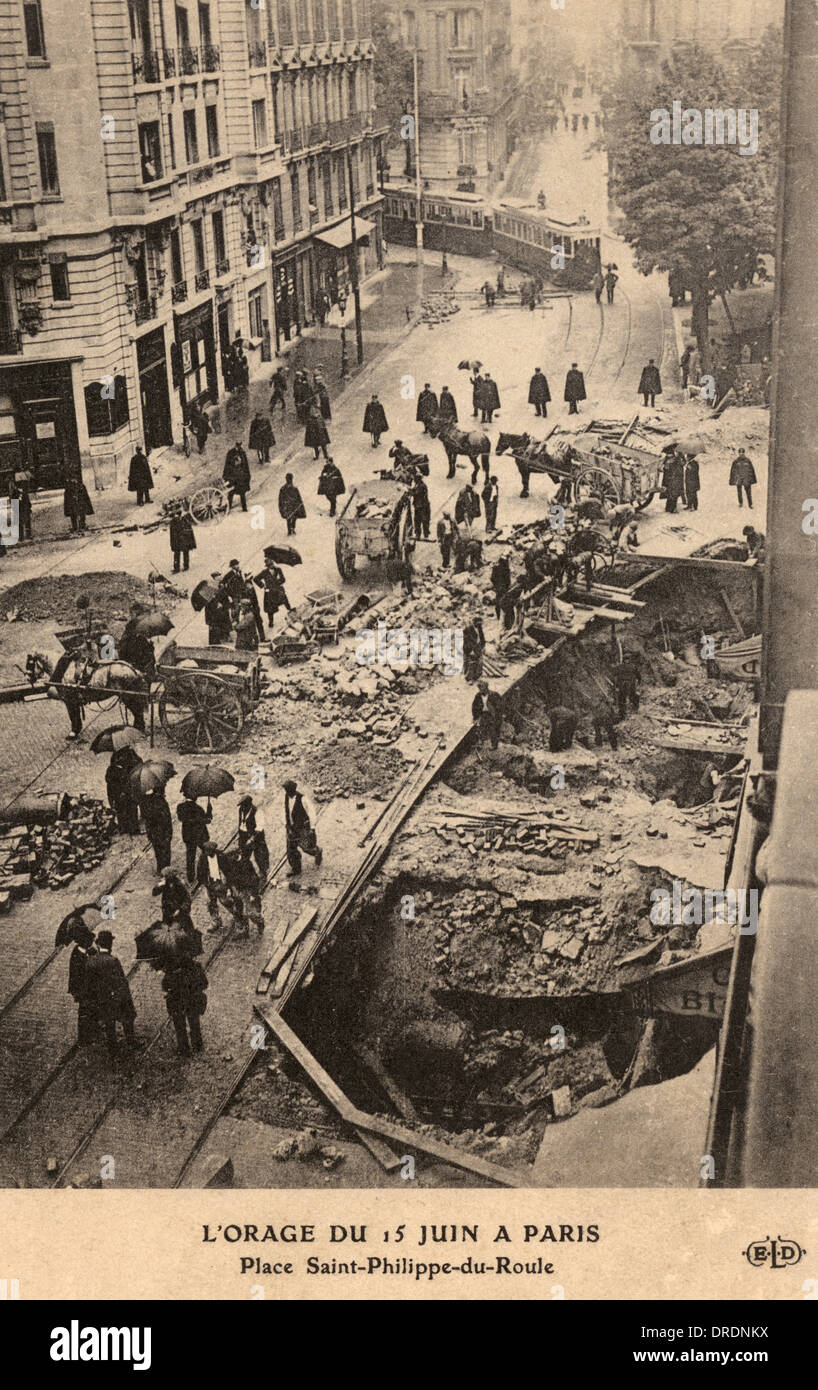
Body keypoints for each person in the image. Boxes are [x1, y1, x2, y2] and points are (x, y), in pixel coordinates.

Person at [87, 930, 137, 1059]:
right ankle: (131, 1041)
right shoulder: (113, 961)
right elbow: (121, 981)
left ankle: (113, 1048)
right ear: (110, 944)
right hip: (116, 998)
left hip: (102, 1000)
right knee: (128, 1016)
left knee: (109, 1024)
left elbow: (90, 984)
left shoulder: (91, 961)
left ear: (98, 944)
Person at [163, 957, 208, 1057]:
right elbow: (204, 984)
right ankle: (197, 1045)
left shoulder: (170, 970)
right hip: (192, 1002)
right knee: (194, 1024)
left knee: (179, 1027)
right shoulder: (196, 967)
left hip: (176, 1004)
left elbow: (165, 986)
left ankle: (183, 1049)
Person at [284, 779, 322, 876]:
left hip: (302, 828)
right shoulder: (286, 798)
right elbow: (285, 811)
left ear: (293, 790)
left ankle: (317, 852)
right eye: (286, 790)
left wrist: (312, 828)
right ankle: (296, 869)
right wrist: (287, 825)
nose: (287, 792)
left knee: (306, 847)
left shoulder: (303, 799)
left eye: (289, 790)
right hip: (291, 828)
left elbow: (312, 813)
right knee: (291, 849)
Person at [68, 923, 98, 1044]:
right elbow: (76, 977)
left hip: (90, 988)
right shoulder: (77, 956)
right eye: (90, 940)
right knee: (84, 1011)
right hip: (83, 990)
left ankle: (93, 1030)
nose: (92, 941)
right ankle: (83, 1038)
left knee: (93, 1009)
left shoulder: (88, 951)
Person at [176, 793, 212, 883]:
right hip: (200, 835)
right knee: (206, 853)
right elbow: (207, 820)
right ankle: (205, 872)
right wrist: (209, 811)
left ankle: (190, 877)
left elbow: (180, 818)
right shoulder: (199, 809)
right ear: (195, 798)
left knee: (190, 856)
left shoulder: (180, 807)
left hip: (188, 836)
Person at [105, 746, 141, 835]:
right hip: (120, 788)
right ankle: (127, 827)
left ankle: (128, 827)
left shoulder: (129, 754)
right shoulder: (128, 754)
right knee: (124, 807)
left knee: (128, 806)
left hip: (125, 786)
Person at [255, 556, 292, 630]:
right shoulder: (264, 572)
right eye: (270, 565)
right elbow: (256, 579)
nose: (272, 566)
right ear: (268, 566)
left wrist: (278, 582)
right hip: (270, 592)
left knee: (285, 600)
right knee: (270, 609)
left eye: (272, 564)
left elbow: (283, 579)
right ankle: (271, 621)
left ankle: (291, 612)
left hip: (278, 590)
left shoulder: (278, 569)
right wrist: (263, 585)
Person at [238, 795, 270, 878]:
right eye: (242, 806)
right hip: (244, 835)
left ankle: (263, 871)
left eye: (244, 805)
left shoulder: (257, 812)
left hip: (256, 836)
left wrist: (252, 839)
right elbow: (241, 822)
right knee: (243, 855)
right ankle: (248, 873)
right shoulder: (241, 810)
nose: (242, 807)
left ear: (249, 804)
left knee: (260, 855)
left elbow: (259, 828)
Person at [142, 787, 173, 874]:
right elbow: (167, 819)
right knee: (165, 851)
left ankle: (160, 868)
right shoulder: (162, 802)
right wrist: (169, 833)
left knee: (158, 851)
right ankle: (165, 870)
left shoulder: (146, 803)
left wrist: (149, 833)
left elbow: (146, 820)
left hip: (154, 833)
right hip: (163, 831)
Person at [472, 680, 502, 748]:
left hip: (492, 714)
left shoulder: (494, 695)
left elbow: (500, 706)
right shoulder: (478, 696)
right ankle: (481, 742)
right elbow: (474, 707)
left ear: (486, 687)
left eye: (481, 687)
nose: (480, 689)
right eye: (479, 688)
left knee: (493, 729)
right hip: (483, 714)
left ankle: (494, 745)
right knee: (479, 727)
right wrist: (475, 717)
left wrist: (498, 716)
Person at [223, 441, 251, 511]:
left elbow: (245, 465)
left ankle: (244, 508)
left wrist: (247, 475)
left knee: (242, 493)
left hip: (240, 477)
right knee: (231, 492)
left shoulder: (242, 452)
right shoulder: (231, 453)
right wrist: (226, 475)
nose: (239, 446)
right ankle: (229, 507)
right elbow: (227, 465)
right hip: (233, 477)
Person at [168, 504, 196, 573]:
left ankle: (178, 568)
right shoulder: (184, 519)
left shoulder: (174, 521)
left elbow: (172, 534)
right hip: (183, 540)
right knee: (184, 552)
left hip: (180, 540)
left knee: (178, 553)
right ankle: (185, 566)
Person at [613, 654, 641, 719]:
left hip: (623, 685)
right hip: (630, 685)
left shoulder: (619, 667)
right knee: (633, 696)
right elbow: (638, 676)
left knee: (622, 699)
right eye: (626, 659)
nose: (627, 660)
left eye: (627, 659)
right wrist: (639, 682)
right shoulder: (633, 666)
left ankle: (623, 713)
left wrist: (616, 686)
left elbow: (614, 675)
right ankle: (634, 709)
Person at [462, 616, 486, 683]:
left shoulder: (479, 628)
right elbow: (466, 641)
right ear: (474, 623)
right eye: (478, 623)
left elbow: (482, 638)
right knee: (470, 664)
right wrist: (471, 650)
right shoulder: (467, 629)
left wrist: (483, 647)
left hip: (477, 648)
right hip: (469, 649)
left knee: (479, 662)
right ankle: (469, 678)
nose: (479, 625)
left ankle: (476, 677)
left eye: (480, 624)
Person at [662, 448, 685, 513]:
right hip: (670, 477)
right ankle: (668, 508)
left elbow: (683, 463)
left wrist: (680, 461)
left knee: (675, 493)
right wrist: (667, 464)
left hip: (677, 476)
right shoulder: (668, 456)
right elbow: (665, 467)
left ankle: (673, 508)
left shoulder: (680, 455)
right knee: (670, 492)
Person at [10, 476, 32, 540]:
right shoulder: (16, 491)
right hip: (19, 506)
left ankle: (26, 535)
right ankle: (22, 536)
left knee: (25, 520)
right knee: (21, 521)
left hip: (23, 506)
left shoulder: (23, 492)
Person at [412, 475, 431, 539]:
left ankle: (426, 535)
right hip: (418, 506)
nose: (414, 480)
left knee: (424, 520)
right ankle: (418, 534)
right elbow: (413, 490)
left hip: (423, 506)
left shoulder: (422, 486)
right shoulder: (417, 484)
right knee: (417, 521)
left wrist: (407, 490)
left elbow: (416, 493)